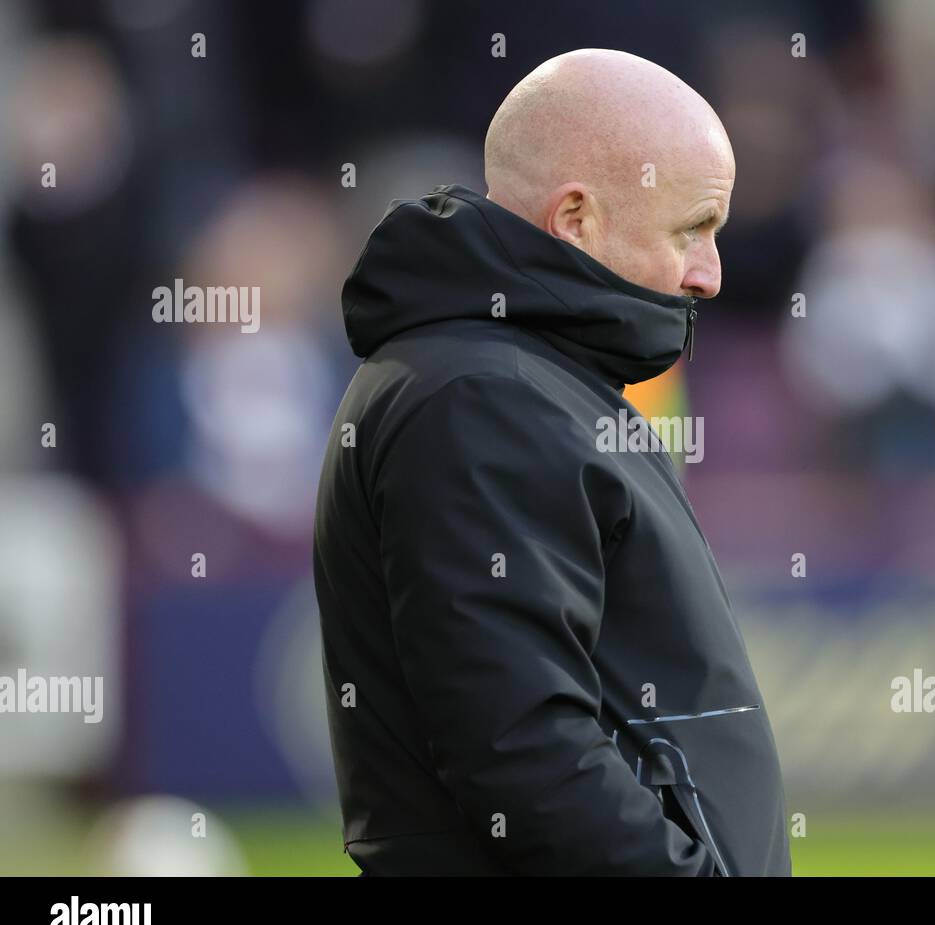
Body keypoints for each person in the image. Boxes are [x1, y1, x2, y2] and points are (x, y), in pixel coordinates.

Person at [313, 48, 791, 875]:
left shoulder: (532, 379)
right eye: (693, 229)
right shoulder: (484, 396)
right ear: (576, 220)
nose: (710, 275)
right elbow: (522, 746)